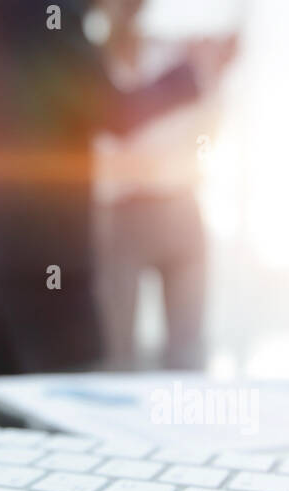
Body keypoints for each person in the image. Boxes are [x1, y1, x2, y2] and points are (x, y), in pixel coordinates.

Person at [0, 0, 236, 377]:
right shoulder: (45, 12)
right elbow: (116, 112)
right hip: (47, 252)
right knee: (82, 400)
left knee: (6, 399)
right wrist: (196, 72)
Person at [92, 0, 226, 370]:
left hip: (180, 208)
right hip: (119, 215)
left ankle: (183, 424)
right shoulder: (92, 61)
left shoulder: (178, 55)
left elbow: (209, 124)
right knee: (114, 350)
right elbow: (105, 133)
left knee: (187, 349)